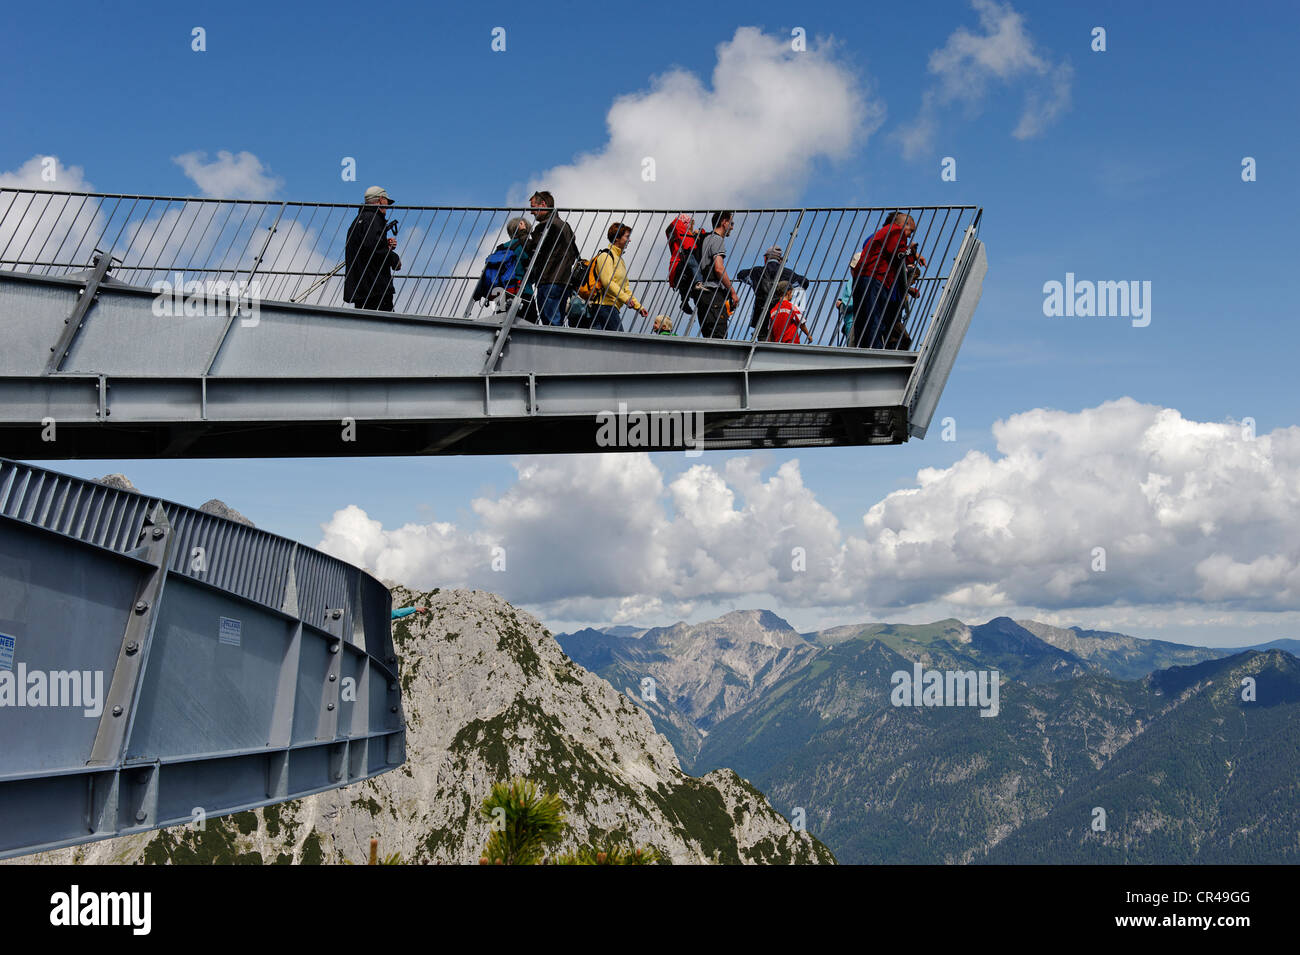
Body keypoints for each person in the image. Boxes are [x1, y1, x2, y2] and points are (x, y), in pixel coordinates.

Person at [849, 212, 925, 349]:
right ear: (903, 225)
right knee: (874, 317)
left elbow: (894, 254)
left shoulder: (883, 233)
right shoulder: (896, 231)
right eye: (910, 231)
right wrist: (911, 250)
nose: (909, 235)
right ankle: (873, 350)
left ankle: (862, 349)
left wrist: (912, 255)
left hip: (863, 277)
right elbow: (898, 253)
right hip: (876, 277)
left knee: (863, 317)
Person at [522, 190, 580, 326]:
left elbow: (533, 248)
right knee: (557, 321)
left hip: (549, 278)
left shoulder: (547, 226)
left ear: (543, 204)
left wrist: (523, 234)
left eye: (533, 208)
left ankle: (554, 346)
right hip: (563, 280)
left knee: (550, 323)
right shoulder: (564, 225)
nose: (531, 212)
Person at [344, 186, 402, 311]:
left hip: (360, 288)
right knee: (385, 327)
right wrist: (394, 258)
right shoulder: (374, 218)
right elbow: (372, 246)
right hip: (375, 288)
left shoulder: (357, 221)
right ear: (381, 200)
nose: (387, 207)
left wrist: (383, 244)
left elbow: (366, 246)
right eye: (387, 202)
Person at [735, 246, 810, 340]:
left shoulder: (757, 271)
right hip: (780, 316)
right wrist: (789, 288)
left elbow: (741, 275)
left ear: (765, 258)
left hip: (761, 317)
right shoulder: (787, 273)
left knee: (762, 345)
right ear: (781, 260)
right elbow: (804, 282)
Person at [588, 222, 649, 332]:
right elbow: (607, 282)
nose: (629, 240)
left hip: (611, 307)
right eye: (627, 237)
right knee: (619, 342)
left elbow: (626, 289)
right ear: (617, 238)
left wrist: (639, 307)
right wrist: (625, 299)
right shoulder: (606, 256)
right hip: (603, 306)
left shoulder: (620, 260)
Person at [466, 216, 532, 316]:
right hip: (522, 291)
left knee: (501, 321)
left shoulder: (501, 247)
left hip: (500, 292)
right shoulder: (524, 244)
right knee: (530, 323)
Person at [691, 211, 739, 338]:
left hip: (702, 296)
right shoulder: (717, 240)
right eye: (731, 223)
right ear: (724, 222)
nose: (732, 227)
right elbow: (718, 268)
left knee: (708, 338)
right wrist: (732, 292)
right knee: (719, 337)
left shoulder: (705, 239)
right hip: (713, 295)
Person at [665, 214, 701, 314]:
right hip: (685, 261)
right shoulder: (683, 234)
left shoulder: (675, 235)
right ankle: (698, 283)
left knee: (684, 283)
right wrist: (699, 235)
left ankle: (684, 301)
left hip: (677, 266)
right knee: (693, 269)